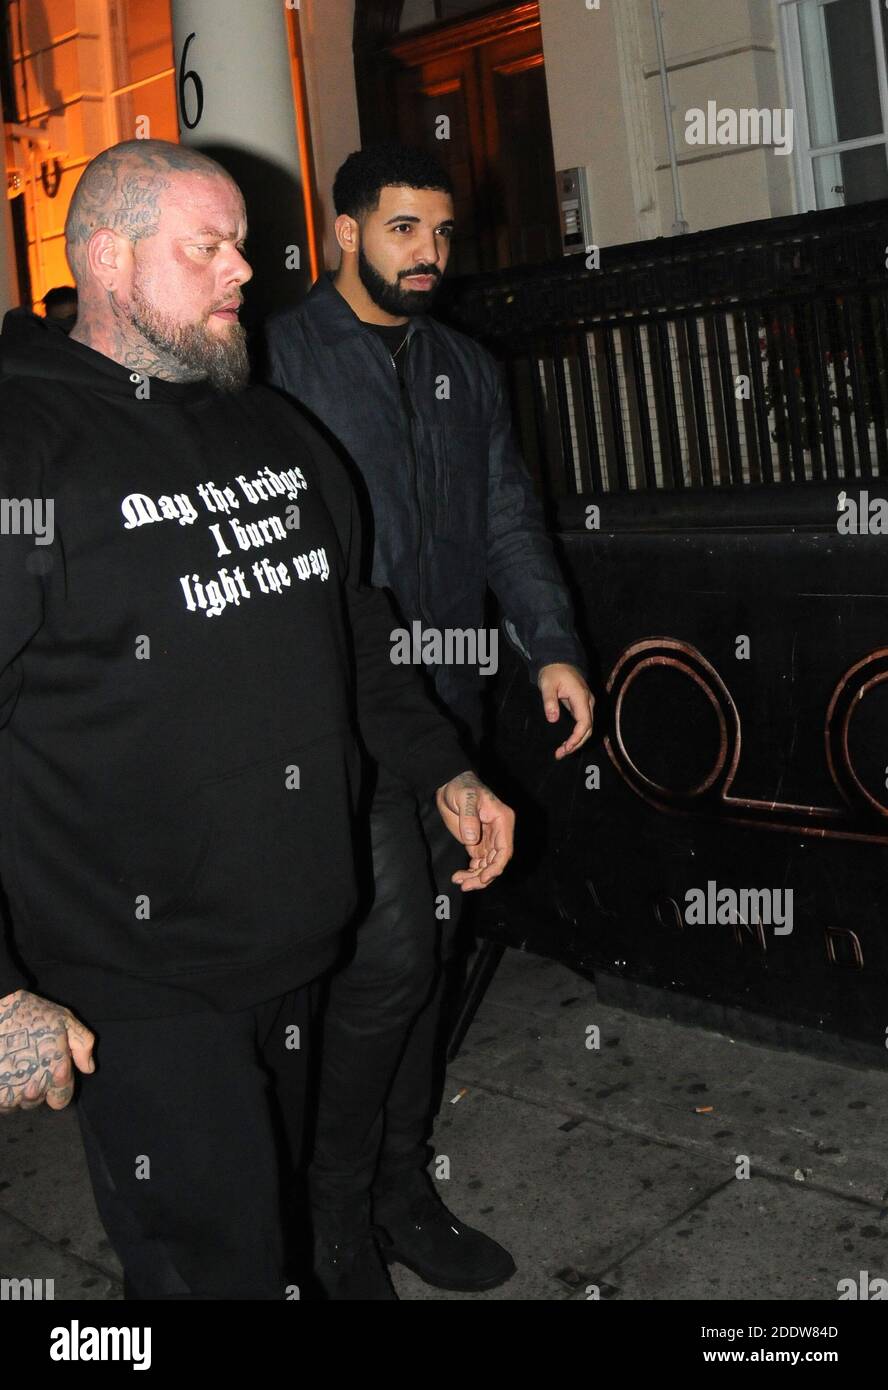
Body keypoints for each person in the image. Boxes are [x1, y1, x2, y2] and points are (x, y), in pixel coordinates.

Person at [0, 138, 515, 1302]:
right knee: (211, 1267)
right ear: (112, 260)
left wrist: (446, 770)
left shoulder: (277, 433)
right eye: (210, 247)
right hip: (136, 975)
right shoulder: (25, 449)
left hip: (296, 944)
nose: (246, 268)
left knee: (264, 1238)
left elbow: (361, 632)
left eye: (241, 241)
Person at [265, 142, 594, 1299]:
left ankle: (401, 1191)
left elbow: (509, 513)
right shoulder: (276, 361)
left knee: (435, 952)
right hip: (336, 720)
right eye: (404, 229)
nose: (430, 255)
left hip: (446, 704)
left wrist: (549, 643)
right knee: (390, 954)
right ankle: (332, 1216)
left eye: (443, 234)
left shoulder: (464, 364)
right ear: (347, 231)